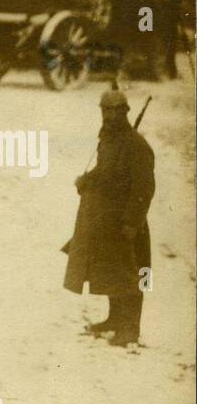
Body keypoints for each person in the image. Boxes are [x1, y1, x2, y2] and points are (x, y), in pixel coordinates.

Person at [63, 87, 155, 347]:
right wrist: (86, 180)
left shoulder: (137, 145)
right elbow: (105, 173)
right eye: (105, 110)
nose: (108, 115)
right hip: (108, 222)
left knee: (135, 275)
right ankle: (115, 319)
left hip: (128, 223)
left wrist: (132, 222)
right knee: (113, 272)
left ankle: (131, 329)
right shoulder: (109, 140)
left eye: (114, 110)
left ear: (125, 112)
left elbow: (144, 187)